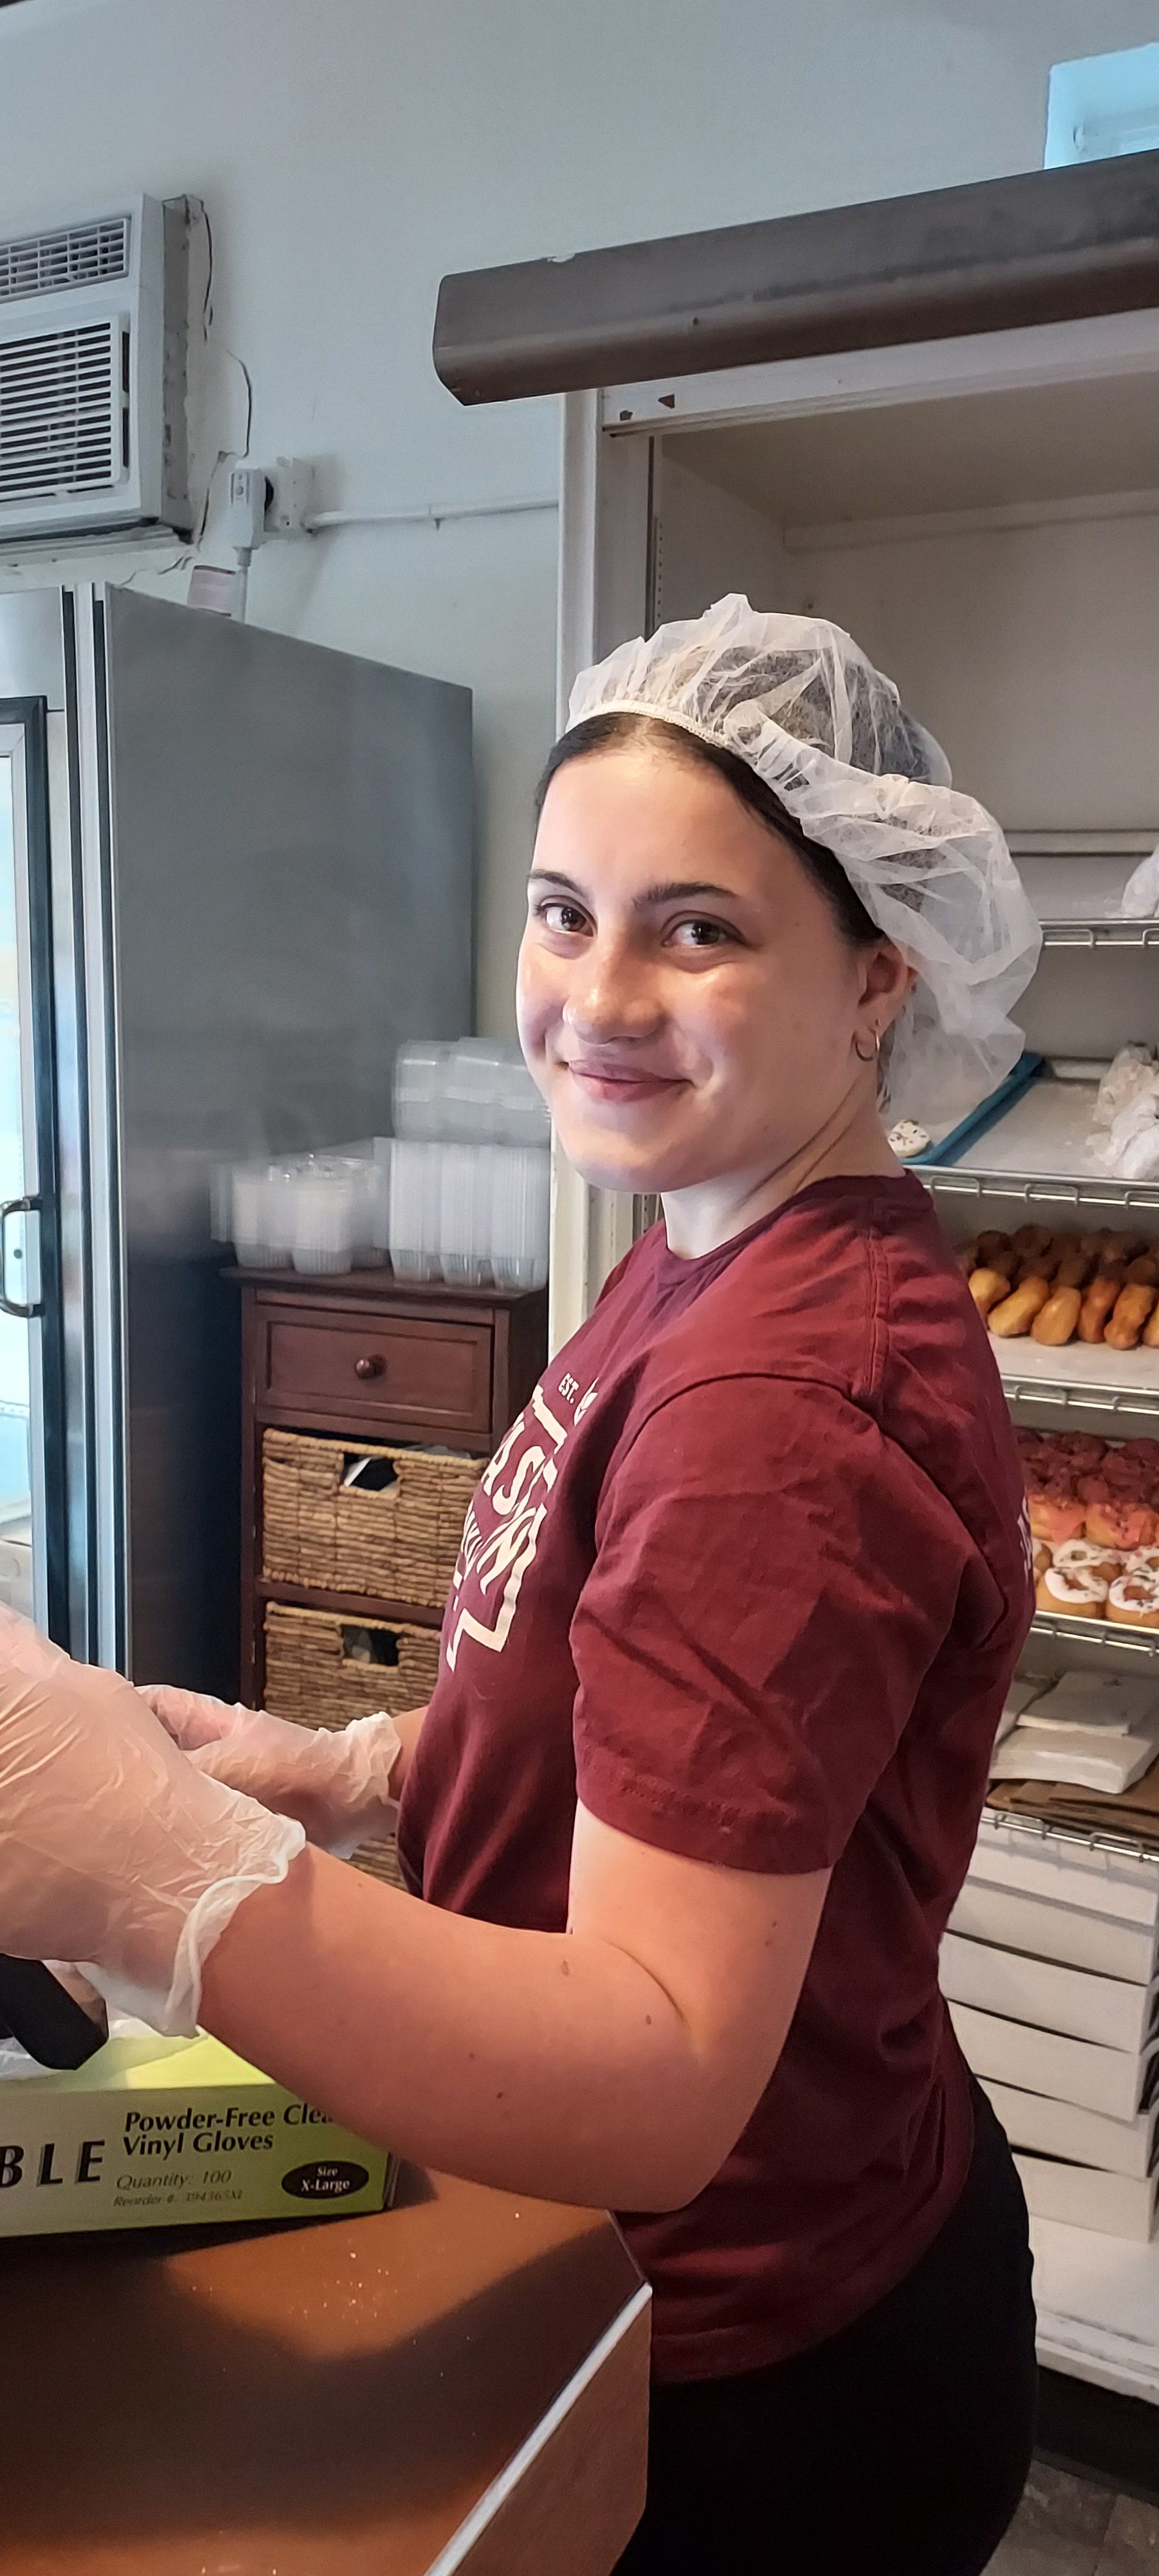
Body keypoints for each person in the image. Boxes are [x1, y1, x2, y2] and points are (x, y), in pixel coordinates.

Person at [0, 598, 1043, 2576]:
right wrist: (372, 1766)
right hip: (803, 2229)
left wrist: (157, 1873)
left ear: (878, 978)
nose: (598, 996)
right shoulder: (718, 1226)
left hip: (737, 2380)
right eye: (565, 909)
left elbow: (654, 2077)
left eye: (701, 930)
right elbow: (688, 1708)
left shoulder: (788, 1400)